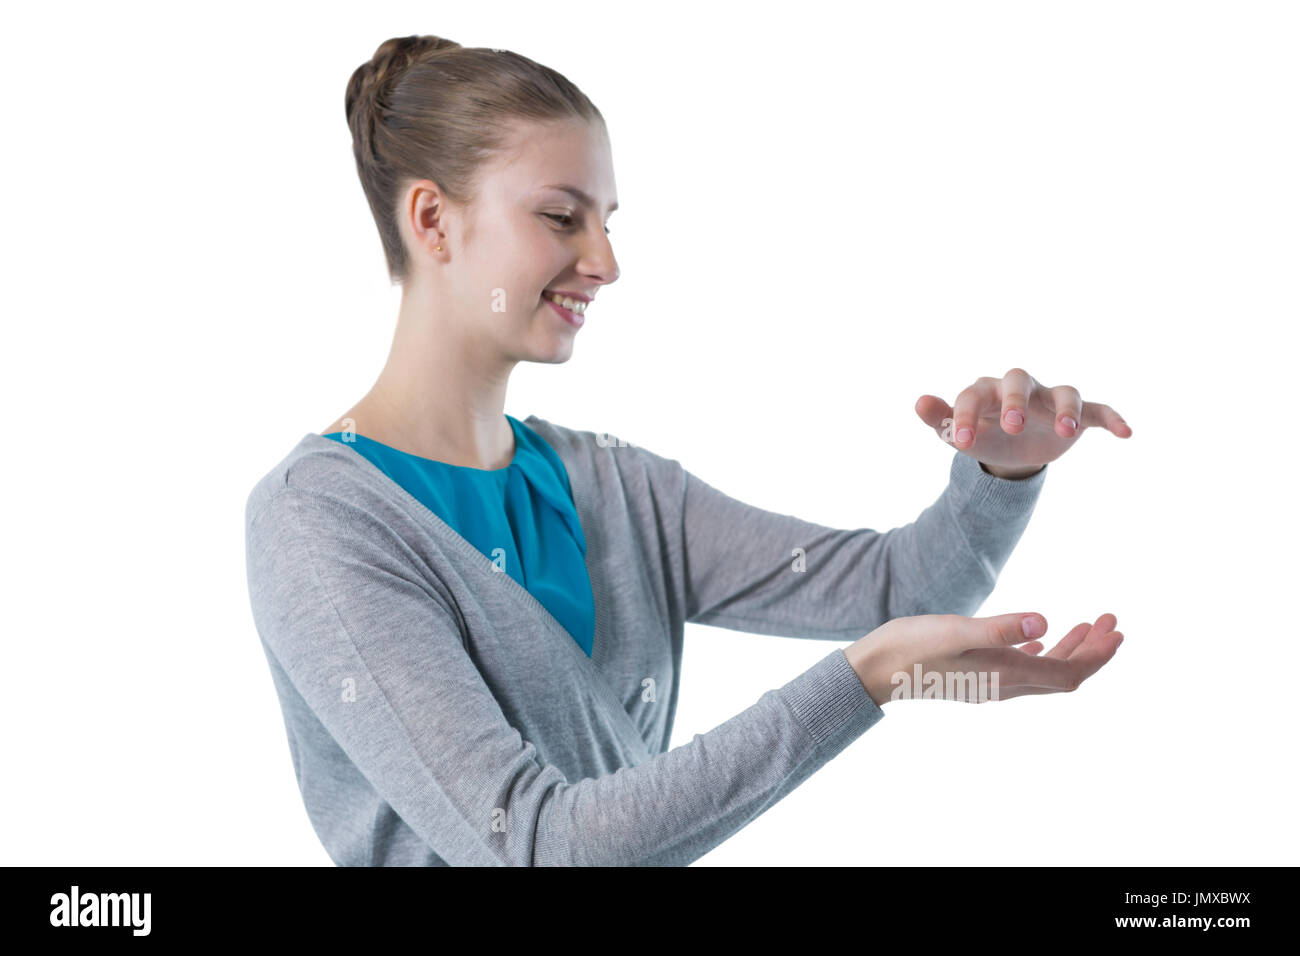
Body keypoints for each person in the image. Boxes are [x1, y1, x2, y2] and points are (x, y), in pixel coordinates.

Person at [243, 34, 1131, 866]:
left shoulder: (611, 486)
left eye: (607, 220)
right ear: (433, 221)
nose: (606, 261)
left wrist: (1001, 471)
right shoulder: (320, 520)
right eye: (562, 217)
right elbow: (540, 843)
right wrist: (872, 675)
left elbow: (901, 591)